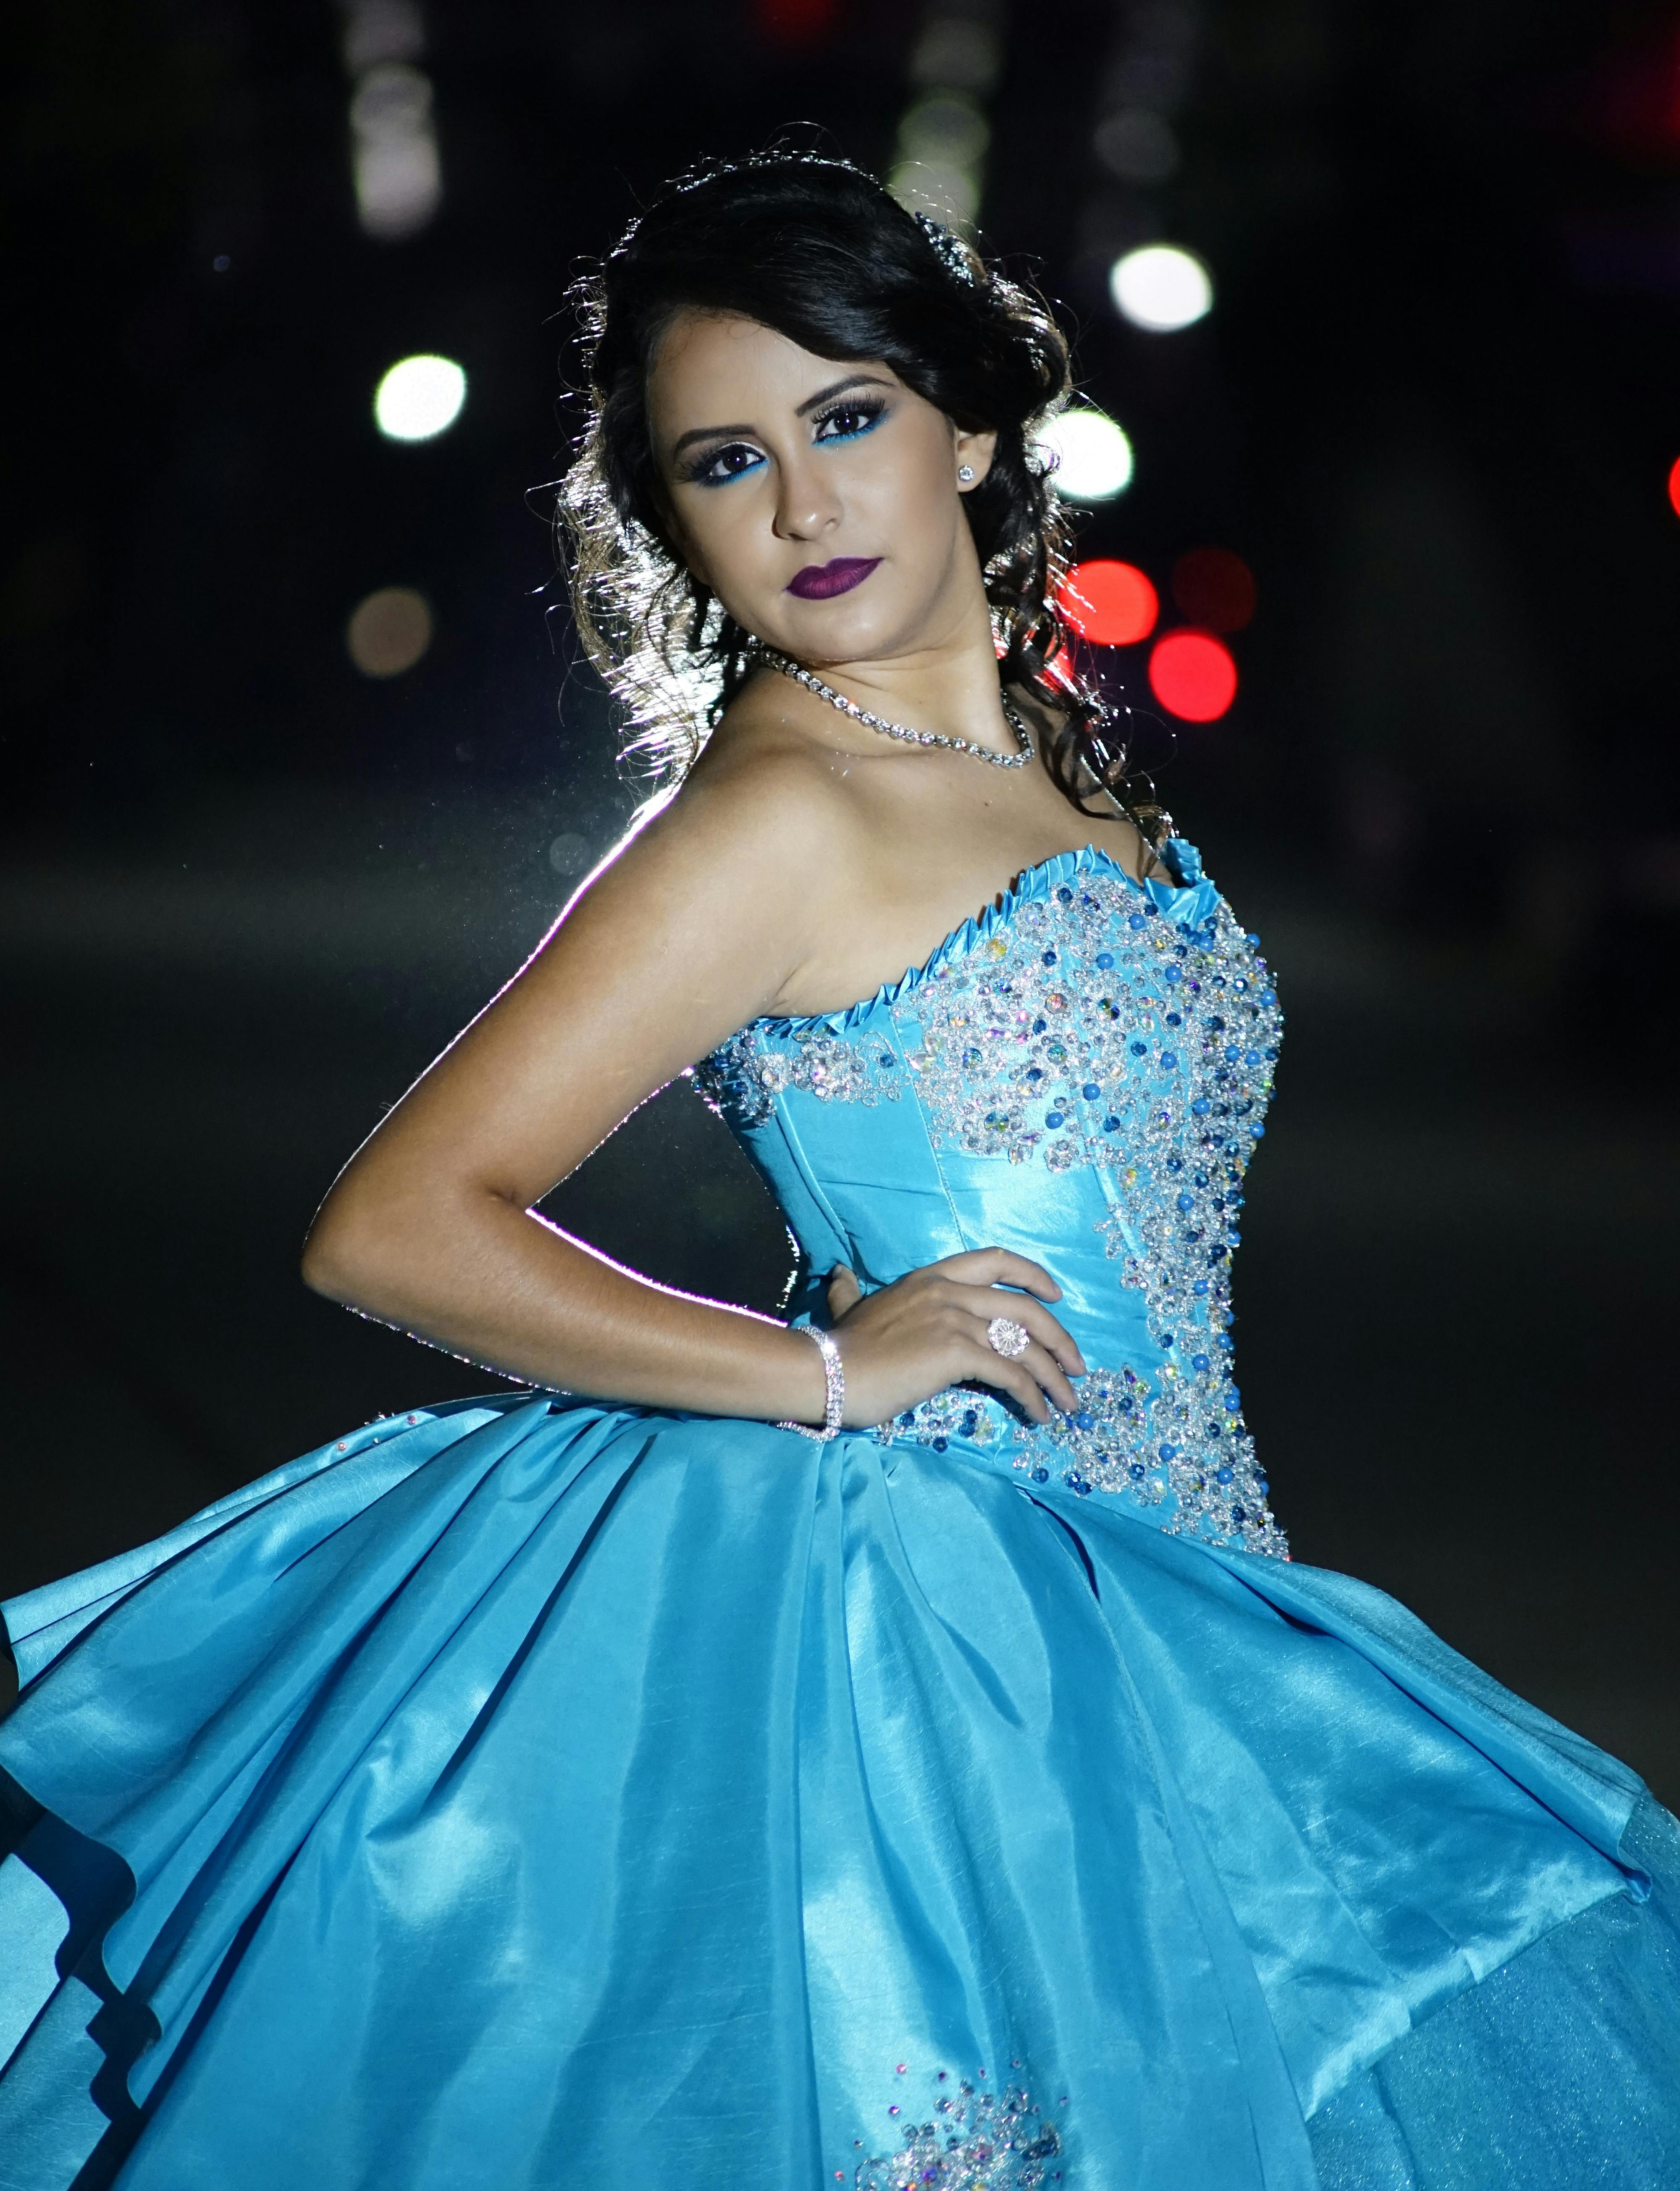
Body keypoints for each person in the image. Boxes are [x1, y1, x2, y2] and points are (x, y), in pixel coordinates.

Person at [1, 151, 1675, 2191]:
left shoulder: (1045, 758)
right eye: (724, 462)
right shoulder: (772, 821)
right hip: (927, 1634)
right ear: (671, 519)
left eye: (847, 417)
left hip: (1173, 1587)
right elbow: (391, 1225)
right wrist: (826, 1372)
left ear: (970, 422)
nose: (800, 508)